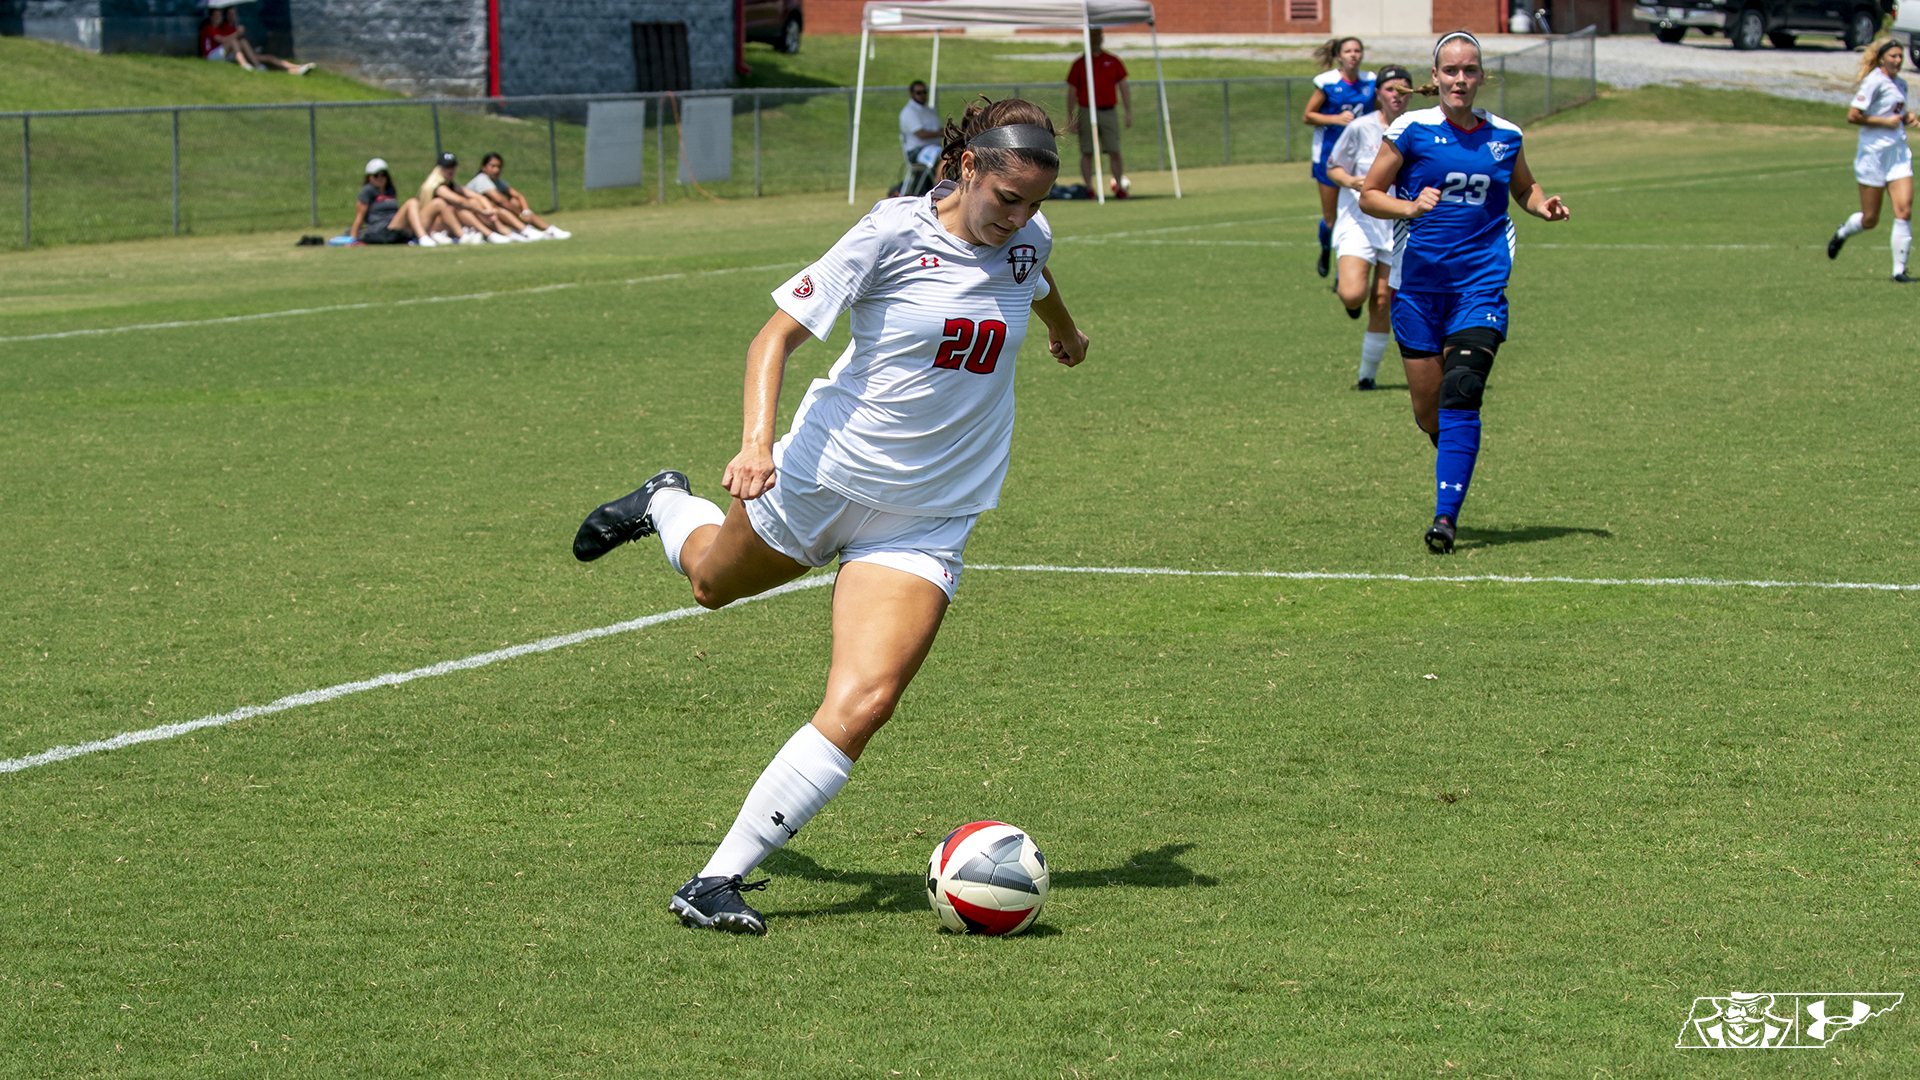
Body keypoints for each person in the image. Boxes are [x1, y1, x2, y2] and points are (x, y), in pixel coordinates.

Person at [569, 98, 1089, 936]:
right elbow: (773, 338)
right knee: (708, 584)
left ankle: (714, 880)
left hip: (926, 520)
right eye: (1007, 201)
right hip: (819, 478)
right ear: (965, 170)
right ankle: (665, 500)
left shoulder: (1027, 239)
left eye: (1034, 205)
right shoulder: (890, 234)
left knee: (867, 698)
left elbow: (1036, 270)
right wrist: (754, 447)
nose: (1018, 221)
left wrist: (1066, 331)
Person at [1359, 31, 1570, 554]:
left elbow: (1522, 186)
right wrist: (1410, 207)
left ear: (1482, 77)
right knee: (1430, 411)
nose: (1460, 79)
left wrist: (1542, 205)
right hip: (1417, 290)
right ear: (1436, 77)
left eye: (1470, 70)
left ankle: (1445, 519)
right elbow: (1369, 195)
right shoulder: (1411, 130)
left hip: (1481, 284)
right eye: (1450, 71)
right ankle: (1452, 448)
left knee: (1463, 389)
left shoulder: (1506, 135)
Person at [1324, 65, 1415, 391]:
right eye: (1391, 89)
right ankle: (1352, 300)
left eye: (1403, 90)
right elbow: (1333, 166)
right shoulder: (1361, 128)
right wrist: (1350, 180)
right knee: (1352, 293)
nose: (1396, 95)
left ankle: (1367, 376)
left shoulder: (1419, 130)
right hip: (1359, 221)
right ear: (1378, 93)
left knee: (1382, 301)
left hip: (1397, 226)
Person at [1827, 37, 1919, 282]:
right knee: (1870, 219)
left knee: (1904, 210)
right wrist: (1884, 122)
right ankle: (1843, 232)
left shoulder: (1901, 84)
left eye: (1901, 56)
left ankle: (1898, 272)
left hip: (1898, 154)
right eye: (1893, 56)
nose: (1898, 61)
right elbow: (1853, 116)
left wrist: (1907, 116)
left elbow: (1895, 111)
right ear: (1881, 59)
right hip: (1873, 155)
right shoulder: (1873, 82)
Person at [1303, 38, 1374, 278]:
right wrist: (1335, 119)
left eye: (1357, 50)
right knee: (1332, 219)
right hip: (1329, 156)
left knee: (1356, 214)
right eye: (1348, 51)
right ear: (1339, 56)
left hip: (1360, 158)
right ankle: (1326, 250)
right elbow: (1308, 115)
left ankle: (1343, 273)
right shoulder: (1328, 83)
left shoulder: (1371, 82)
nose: (1354, 55)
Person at [1064, 29, 1132, 198]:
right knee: (1087, 151)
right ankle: (1089, 188)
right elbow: (1072, 92)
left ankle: (1119, 187)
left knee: (1114, 150)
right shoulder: (1080, 63)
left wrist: (1128, 111)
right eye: (1092, 37)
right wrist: (1072, 118)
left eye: (1098, 36)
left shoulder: (1112, 60)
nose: (1096, 40)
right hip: (1087, 110)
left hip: (1108, 111)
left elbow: (1123, 86)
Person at [345, 158, 457, 246]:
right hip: (383, 230)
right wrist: (353, 239)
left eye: (383, 174)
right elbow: (360, 216)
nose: (380, 178)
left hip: (398, 227)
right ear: (369, 177)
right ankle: (423, 238)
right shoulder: (367, 191)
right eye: (376, 175)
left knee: (438, 203)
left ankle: (462, 236)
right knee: (412, 202)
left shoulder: (390, 190)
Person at [419, 152, 523, 244]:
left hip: (447, 223)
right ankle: (491, 234)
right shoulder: (438, 187)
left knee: (473, 203)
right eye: (447, 167)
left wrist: (488, 209)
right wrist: (482, 210)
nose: (450, 170)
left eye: (453, 166)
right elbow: (459, 201)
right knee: (459, 209)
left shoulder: (452, 185)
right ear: (439, 169)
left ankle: (507, 232)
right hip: (432, 226)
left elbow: (476, 196)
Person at [468, 153, 570, 239]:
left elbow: (519, 196)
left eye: (499, 166)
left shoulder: (497, 181)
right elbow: (500, 200)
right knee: (496, 206)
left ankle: (549, 229)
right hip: (474, 218)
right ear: (484, 167)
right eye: (493, 166)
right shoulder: (481, 179)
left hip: (492, 217)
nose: (496, 170)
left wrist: (526, 211)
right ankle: (525, 230)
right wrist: (520, 215)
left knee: (514, 201)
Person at [205, 7, 314, 75]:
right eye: (216, 16)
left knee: (269, 58)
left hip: (233, 53)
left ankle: (296, 68)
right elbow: (224, 41)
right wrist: (237, 33)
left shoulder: (228, 28)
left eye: (234, 14)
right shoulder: (212, 28)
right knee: (239, 42)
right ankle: (248, 65)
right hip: (217, 55)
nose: (218, 18)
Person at [898, 81, 943, 196]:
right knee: (945, 156)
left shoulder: (929, 110)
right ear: (911, 94)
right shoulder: (908, 112)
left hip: (934, 148)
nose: (922, 95)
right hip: (917, 151)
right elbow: (921, 134)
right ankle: (937, 192)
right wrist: (941, 133)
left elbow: (940, 130)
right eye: (919, 92)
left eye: (924, 92)